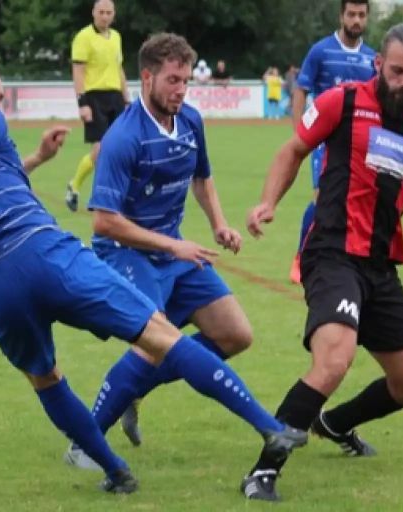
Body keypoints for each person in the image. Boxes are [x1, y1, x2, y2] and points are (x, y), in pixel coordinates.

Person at [0, 56, 307, 496]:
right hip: (41, 251)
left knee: (45, 377)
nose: (2, 108)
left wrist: (37, 157)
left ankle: (114, 471)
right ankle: (269, 427)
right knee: (159, 333)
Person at [241, 23, 403, 502]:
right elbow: (293, 150)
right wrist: (268, 201)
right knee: (334, 360)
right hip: (332, 253)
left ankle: (333, 422)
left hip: (380, 266)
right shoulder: (343, 102)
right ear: (379, 63)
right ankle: (263, 470)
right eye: (397, 71)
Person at [63, 31, 279, 469]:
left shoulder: (191, 120)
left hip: (174, 253)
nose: (181, 90)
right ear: (147, 78)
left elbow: (201, 178)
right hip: (123, 254)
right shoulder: (125, 137)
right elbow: (104, 221)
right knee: (152, 344)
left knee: (235, 334)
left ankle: (134, 389)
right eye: (173, 81)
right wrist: (172, 244)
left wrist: (219, 224)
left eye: (186, 81)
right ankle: (83, 442)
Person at [290, 0, 377, 284]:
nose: (356, 20)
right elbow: (301, 90)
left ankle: (349, 257)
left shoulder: (371, 58)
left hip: (359, 146)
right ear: (341, 16)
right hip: (324, 141)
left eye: (361, 15)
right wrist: (301, 133)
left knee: (355, 202)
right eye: (351, 14)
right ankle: (302, 257)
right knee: (321, 198)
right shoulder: (321, 51)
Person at [65, 0, 131, 213]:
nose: (105, 16)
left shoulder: (117, 37)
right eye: (101, 12)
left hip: (115, 97)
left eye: (108, 12)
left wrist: (127, 98)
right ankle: (76, 186)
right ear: (93, 13)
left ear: (114, 14)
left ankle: (111, 194)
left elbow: (118, 68)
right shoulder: (83, 37)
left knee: (120, 148)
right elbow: (78, 71)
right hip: (94, 97)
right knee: (100, 149)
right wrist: (82, 103)